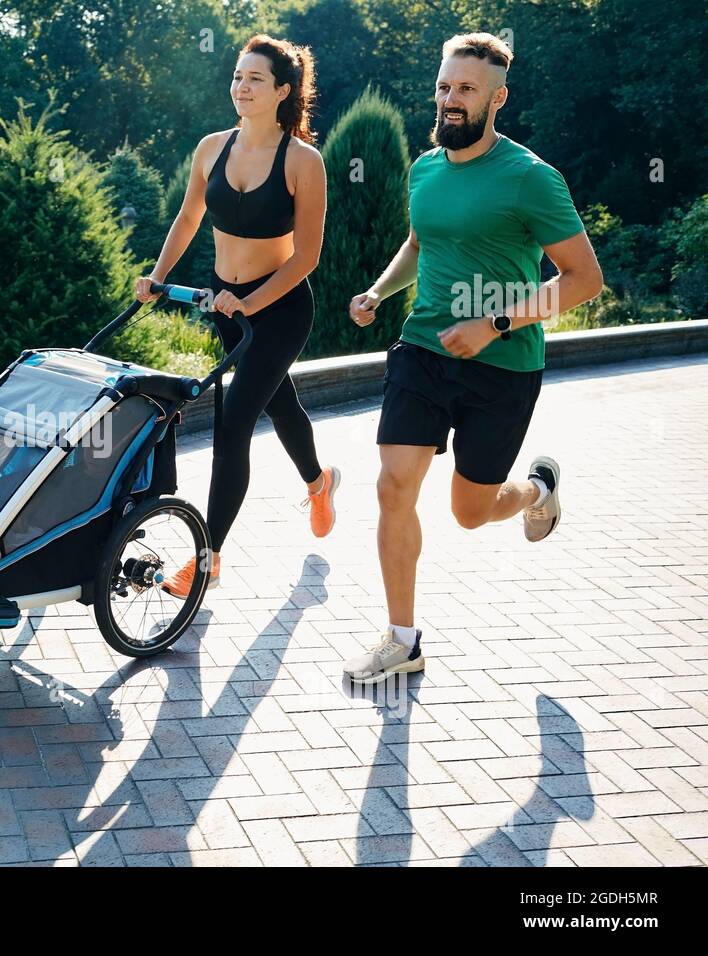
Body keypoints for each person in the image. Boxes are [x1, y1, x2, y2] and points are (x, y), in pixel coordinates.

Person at [343, 32, 603, 684]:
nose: (450, 99)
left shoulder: (530, 179)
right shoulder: (425, 168)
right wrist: (378, 289)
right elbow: (418, 242)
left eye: (465, 89)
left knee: (468, 511)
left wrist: (495, 323)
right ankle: (403, 641)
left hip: (503, 364)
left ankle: (538, 491)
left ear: (497, 97)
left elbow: (583, 279)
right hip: (425, 351)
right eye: (444, 87)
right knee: (393, 486)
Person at [133, 33, 340, 596]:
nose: (241, 87)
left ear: (282, 91)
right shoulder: (212, 148)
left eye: (255, 79)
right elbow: (188, 218)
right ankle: (319, 481)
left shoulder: (303, 162)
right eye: (236, 76)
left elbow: (308, 255)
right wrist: (157, 276)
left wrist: (251, 301)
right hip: (227, 307)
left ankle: (208, 558)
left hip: (277, 310)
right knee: (280, 400)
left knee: (233, 425)